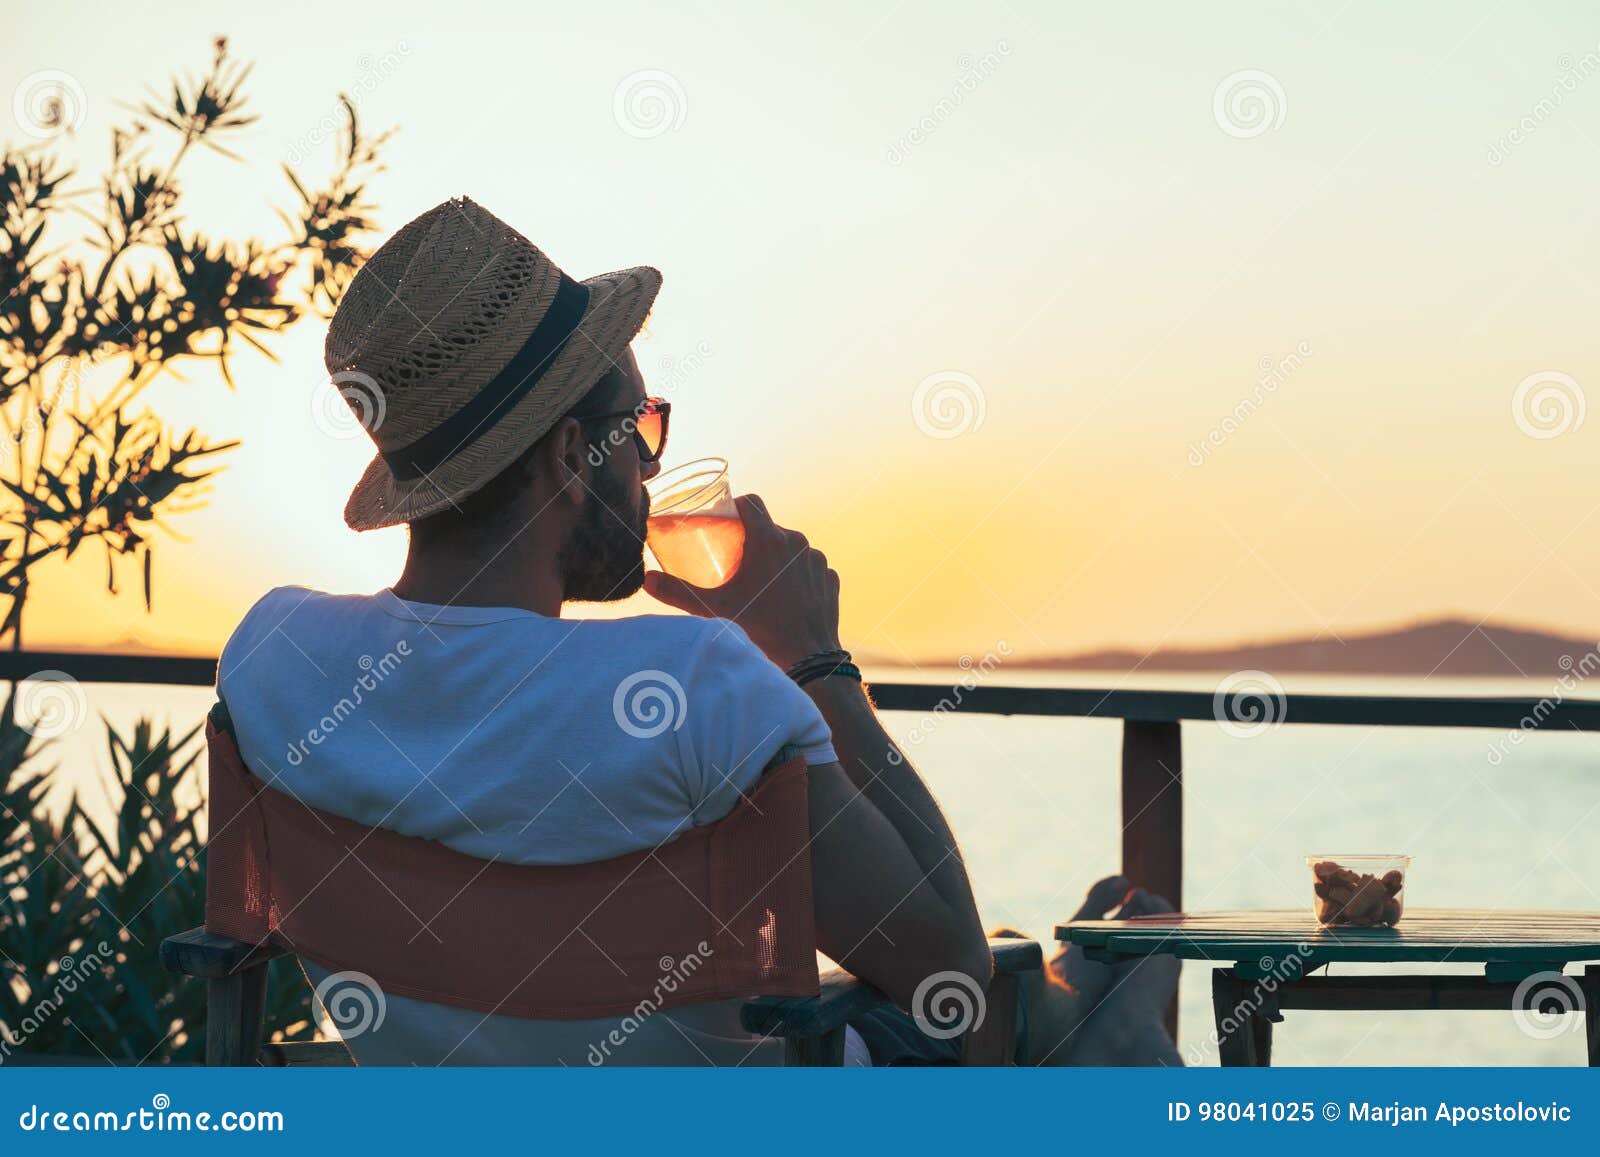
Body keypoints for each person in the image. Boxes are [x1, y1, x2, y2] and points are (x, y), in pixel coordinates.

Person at [218, 197, 1177, 1065]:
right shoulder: (697, 685)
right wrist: (816, 662)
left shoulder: (274, 660)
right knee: (1057, 1005)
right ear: (567, 454)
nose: (644, 466)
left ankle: (1096, 992)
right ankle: (1106, 1001)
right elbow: (950, 978)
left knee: (1079, 991)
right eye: (638, 428)